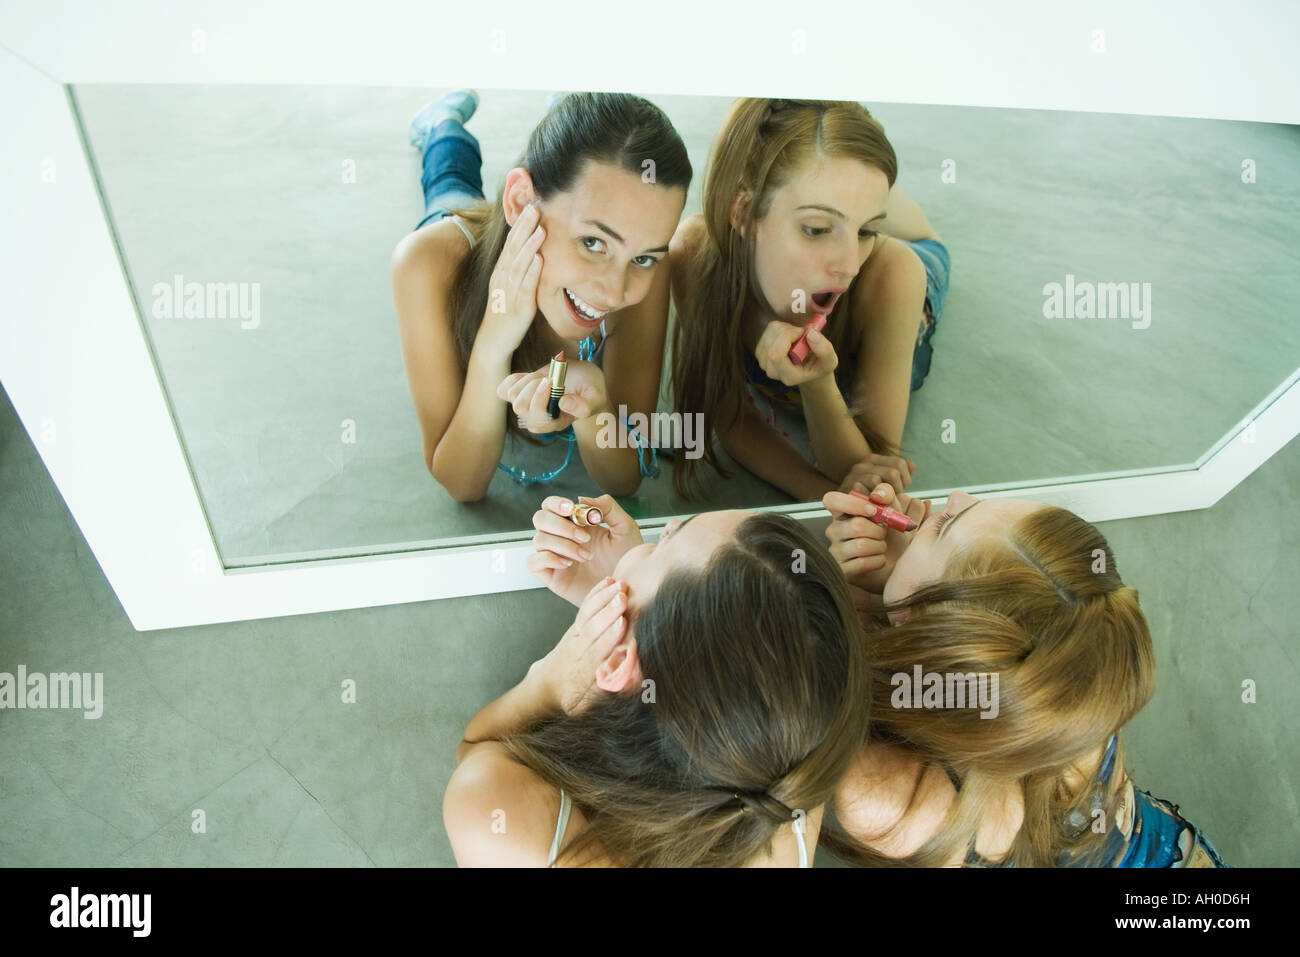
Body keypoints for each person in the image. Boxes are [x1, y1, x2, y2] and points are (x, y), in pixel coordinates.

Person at [442, 495, 871, 867]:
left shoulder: (507, 825)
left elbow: (477, 751)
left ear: (617, 665)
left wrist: (551, 681)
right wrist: (640, 616)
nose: (664, 526)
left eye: (667, 539)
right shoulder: (794, 766)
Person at [818, 482, 1228, 867]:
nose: (958, 495)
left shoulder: (888, 795)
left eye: (945, 526)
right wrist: (900, 586)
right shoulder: (1084, 655)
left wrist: (843, 595)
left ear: (941, 635)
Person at [391, 91, 690, 502]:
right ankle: (443, 126)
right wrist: (493, 343)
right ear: (520, 202)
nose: (616, 291)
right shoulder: (426, 262)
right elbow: (462, 483)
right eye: (593, 241)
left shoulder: (643, 276)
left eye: (642, 256)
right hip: (475, 243)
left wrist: (596, 410)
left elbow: (625, 481)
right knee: (450, 189)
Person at [669, 98, 951, 503]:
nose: (850, 266)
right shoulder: (695, 253)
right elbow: (732, 421)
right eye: (817, 229)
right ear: (744, 213)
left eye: (867, 231)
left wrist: (820, 386)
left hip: (920, 268)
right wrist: (829, 500)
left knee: (927, 243)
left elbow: (867, 468)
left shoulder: (892, 274)